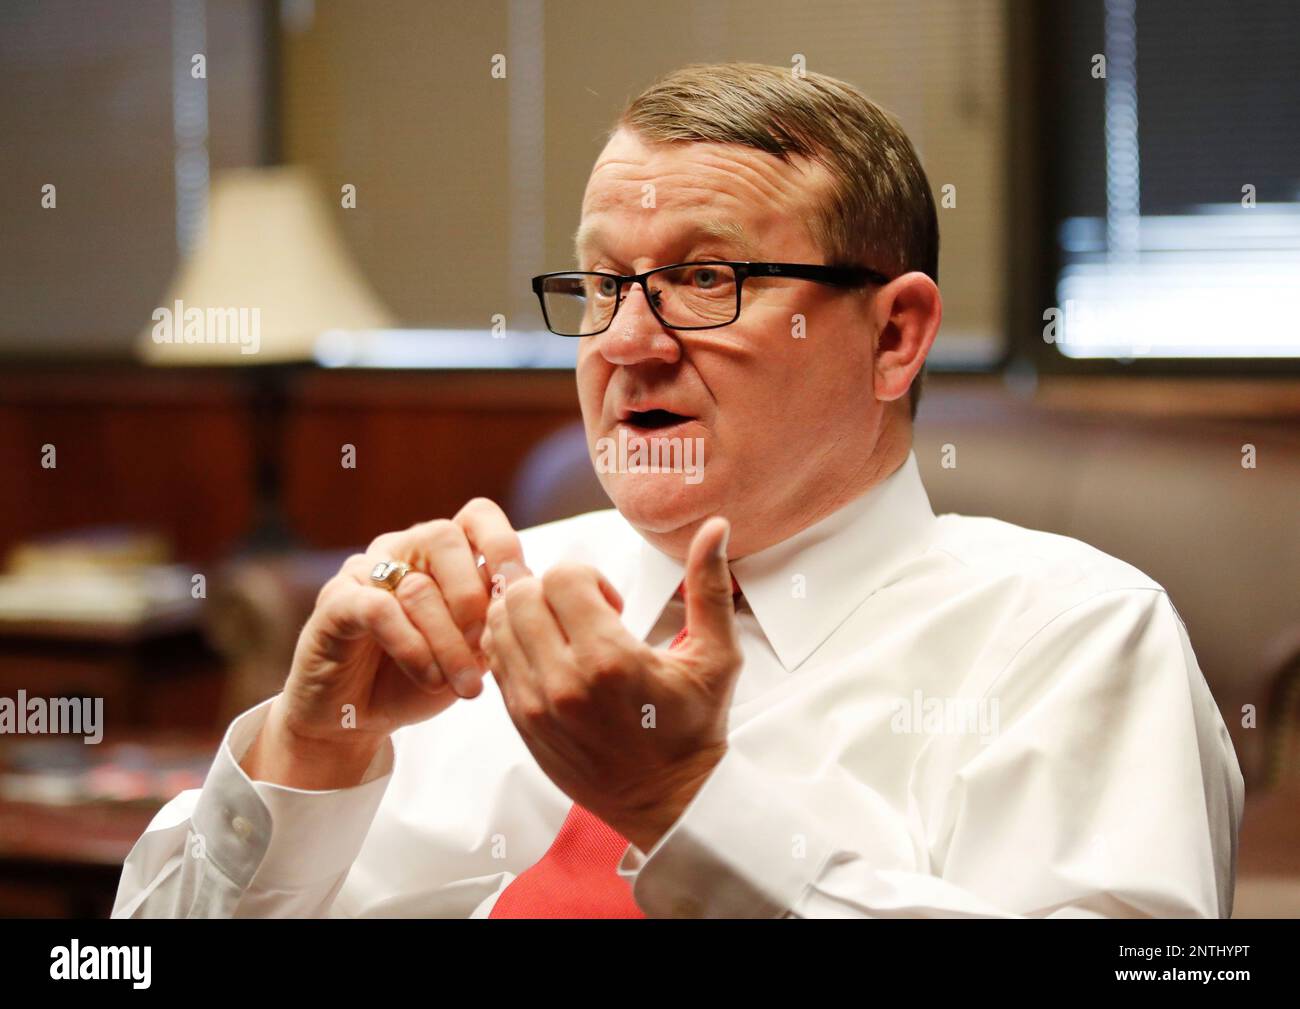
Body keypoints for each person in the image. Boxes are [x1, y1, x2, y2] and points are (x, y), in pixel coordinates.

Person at [113, 62, 1242, 919]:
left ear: (893, 335)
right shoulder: (479, 611)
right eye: (602, 282)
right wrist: (306, 758)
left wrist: (684, 804)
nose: (629, 340)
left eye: (706, 277)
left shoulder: (1075, 640)